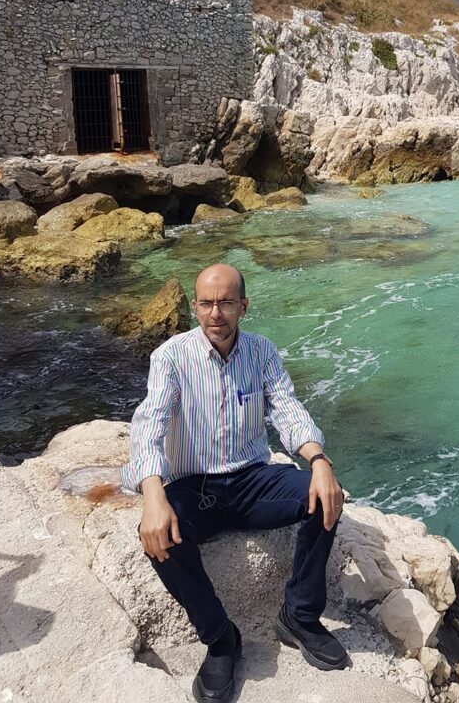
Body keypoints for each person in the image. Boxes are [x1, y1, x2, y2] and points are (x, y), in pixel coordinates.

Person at [121, 262, 348, 703]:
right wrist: (152, 494)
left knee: (325, 497)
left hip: (250, 479)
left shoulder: (262, 351)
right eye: (206, 303)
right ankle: (220, 637)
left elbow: (287, 409)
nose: (215, 313)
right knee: (160, 536)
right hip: (192, 485)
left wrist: (319, 461)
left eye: (225, 303)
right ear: (194, 307)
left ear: (243, 306)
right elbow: (149, 425)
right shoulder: (170, 356)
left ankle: (299, 616)